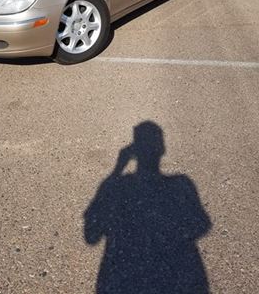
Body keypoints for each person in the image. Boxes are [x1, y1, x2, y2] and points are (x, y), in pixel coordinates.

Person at [84, 122, 212, 293]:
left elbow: (91, 235)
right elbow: (202, 225)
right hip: (175, 278)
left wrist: (117, 170)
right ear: (162, 150)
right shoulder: (181, 185)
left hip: (124, 280)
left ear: (134, 153)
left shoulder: (119, 187)